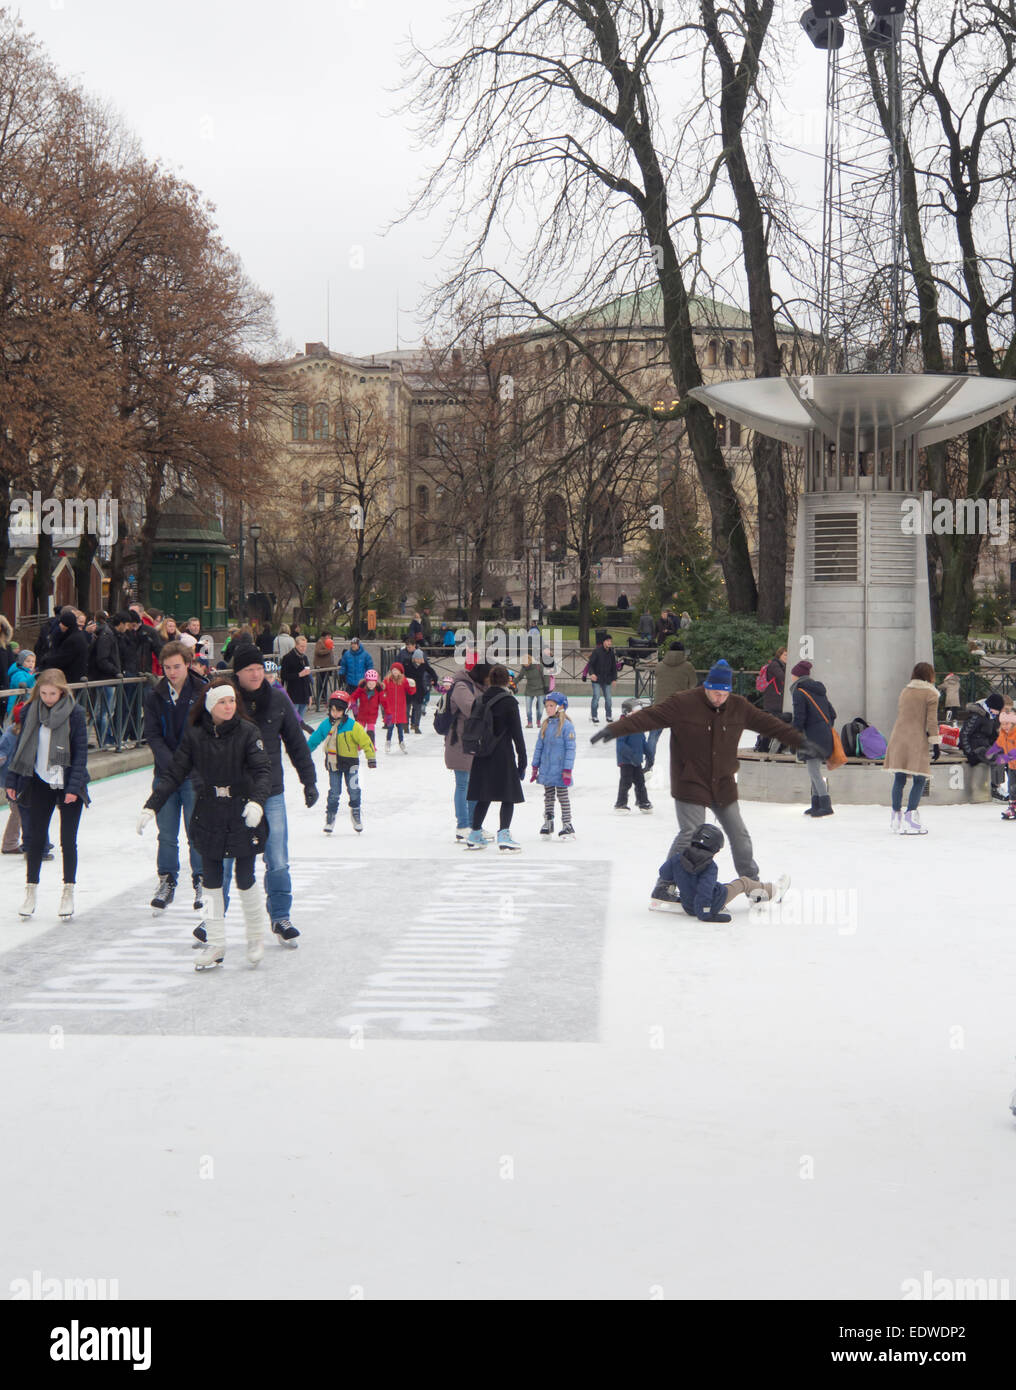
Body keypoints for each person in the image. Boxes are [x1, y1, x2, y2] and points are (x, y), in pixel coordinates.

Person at [591, 658, 820, 909]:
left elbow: (770, 724)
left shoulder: (738, 706)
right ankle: (664, 886)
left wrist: (801, 741)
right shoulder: (683, 703)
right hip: (690, 780)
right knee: (690, 833)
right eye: (714, 692)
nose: (719, 698)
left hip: (722, 783)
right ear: (706, 687)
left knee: (739, 835)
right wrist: (614, 729)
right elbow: (648, 717)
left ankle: (753, 886)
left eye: (724, 693)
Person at [138, 679, 271, 970]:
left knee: (245, 877)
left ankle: (255, 936)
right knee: (210, 883)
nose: (229, 706)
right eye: (223, 702)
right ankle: (216, 943)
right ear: (211, 706)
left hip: (242, 811)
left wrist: (257, 802)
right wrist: (153, 805)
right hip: (209, 813)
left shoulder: (248, 732)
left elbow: (262, 770)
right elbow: (174, 773)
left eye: (232, 701)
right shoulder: (196, 736)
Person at [221, 645, 318, 944]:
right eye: (249, 669)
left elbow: (295, 743)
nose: (256, 674)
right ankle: (212, 918)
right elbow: (203, 741)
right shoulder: (225, 700)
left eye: (260, 668)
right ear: (237, 672)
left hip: (271, 790)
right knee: (222, 857)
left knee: (277, 857)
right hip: (232, 790)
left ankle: (280, 916)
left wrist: (309, 780)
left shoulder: (277, 699)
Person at [5, 669, 90, 920]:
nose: (48, 698)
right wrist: (13, 780)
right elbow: (21, 749)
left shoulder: (74, 713)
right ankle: (31, 891)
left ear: (62, 691)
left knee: (67, 840)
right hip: (38, 780)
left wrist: (73, 788)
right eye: (43, 693)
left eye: (53, 693)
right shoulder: (32, 711)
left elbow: (81, 754)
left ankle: (68, 891)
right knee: (35, 839)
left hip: (66, 782)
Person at [143, 640, 208, 911]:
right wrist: (170, 765)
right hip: (166, 773)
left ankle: (202, 879)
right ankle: (167, 879)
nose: (171, 672)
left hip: (194, 774)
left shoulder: (203, 691)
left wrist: (188, 764)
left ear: (188, 664)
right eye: (167, 667)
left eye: (177, 666)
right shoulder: (155, 695)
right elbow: (153, 734)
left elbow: (204, 732)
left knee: (197, 831)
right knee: (166, 833)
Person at [651, 823, 788, 919]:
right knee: (743, 882)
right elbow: (704, 891)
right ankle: (774, 890)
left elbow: (664, 873)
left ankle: (763, 892)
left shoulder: (677, 859)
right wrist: (705, 913)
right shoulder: (710, 866)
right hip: (713, 902)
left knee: (720, 885)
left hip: (688, 905)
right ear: (715, 849)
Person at [465, 664, 526, 851]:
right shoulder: (509, 702)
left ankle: (475, 833)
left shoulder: (480, 699)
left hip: (482, 753)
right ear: (507, 680)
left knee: (484, 795)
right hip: (503, 754)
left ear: (490, 679)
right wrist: (522, 760)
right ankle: (504, 834)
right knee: (508, 795)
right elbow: (517, 733)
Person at [306, 690, 376, 833]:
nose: (335, 713)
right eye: (332, 710)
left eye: (339, 710)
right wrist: (304, 753)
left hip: (352, 765)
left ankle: (356, 813)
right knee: (334, 792)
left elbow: (365, 741)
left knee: (354, 790)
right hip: (334, 765)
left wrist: (371, 757)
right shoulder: (326, 725)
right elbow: (315, 739)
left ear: (345, 710)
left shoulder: (353, 726)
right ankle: (330, 817)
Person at [884, 662, 940, 835]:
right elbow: (931, 721)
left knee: (899, 778)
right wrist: (935, 742)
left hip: (898, 737)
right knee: (919, 778)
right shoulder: (931, 693)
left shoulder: (905, 691)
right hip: (916, 739)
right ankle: (911, 815)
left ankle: (895, 817)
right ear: (930, 675)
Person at [444, 659, 489, 842]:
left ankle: (474, 825)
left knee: (473, 785)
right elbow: (473, 710)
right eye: (488, 677)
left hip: (471, 742)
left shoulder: (476, 686)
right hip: (459, 742)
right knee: (463, 784)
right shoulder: (462, 687)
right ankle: (463, 825)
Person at [789, 659, 837, 818]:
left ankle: (825, 804)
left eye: (793, 675)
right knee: (813, 769)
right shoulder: (818, 690)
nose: (791, 677)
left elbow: (799, 718)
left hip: (812, 737)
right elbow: (832, 714)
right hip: (823, 735)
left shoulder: (799, 692)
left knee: (814, 771)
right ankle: (816, 804)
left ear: (797, 676)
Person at [530, 691, 576, 838]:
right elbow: (539, 747)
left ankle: (567, 824)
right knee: (548, 796)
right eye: (546, 706)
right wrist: (535, 767)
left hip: (561, 770)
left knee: (563, 797)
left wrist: (567, 769)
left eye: (551, 705)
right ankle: (548, 822)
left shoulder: (567, 726)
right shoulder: (546, 725)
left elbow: (570, 749)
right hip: (547, 769)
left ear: (560, 707)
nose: (548, 709)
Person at [648, 639, 697, 768]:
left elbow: (659, 677)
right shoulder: (688, 666)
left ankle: (649, 763)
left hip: (660, 706)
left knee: (653, 736)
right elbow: (693, 683)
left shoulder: (659, 665)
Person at [86, 610, 122, 749]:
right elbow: (103, 658)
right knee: (105, 711)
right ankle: (104, 740)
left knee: (102, 710)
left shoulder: (100, 633)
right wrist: (115, 670)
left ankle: (104, 739)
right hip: (106, 676)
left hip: (101, 676)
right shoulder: (106, 634)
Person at [614, 696, 653, 813]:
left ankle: (643, 802)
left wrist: (649, 754)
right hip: (626, 760)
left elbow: (642, 741)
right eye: (637, 710)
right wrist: (631, 756)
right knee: (626, 782)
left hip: (636, 760)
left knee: (640, 782)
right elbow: (621, 745)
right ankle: (621, 803)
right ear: (628, 712)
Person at [958, 692, 1004, 774]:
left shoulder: (991, 716)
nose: (997, 713)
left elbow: (993, 736)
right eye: (997, 710)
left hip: (984, 746)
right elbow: (964, 734)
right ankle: (993, 783)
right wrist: (969, 753)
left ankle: (996, 783)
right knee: (993, 757)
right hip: (975, 749)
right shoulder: (977, 715)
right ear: (991, 706)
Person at [754, 646, 787, 751]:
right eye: (785, 654)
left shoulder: (781, 665)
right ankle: (762, 746)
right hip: (774, 700)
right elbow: (783, 677)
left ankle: (764, 746)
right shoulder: (775, 665)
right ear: (779, 655)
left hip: (777, 699)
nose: (787, 657)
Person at [46, 607, 89, 685]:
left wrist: (46, 660)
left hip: (72, 679)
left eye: (62, 623)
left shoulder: (73, 639)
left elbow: (62, 659)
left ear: (67, 625)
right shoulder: (77, 635)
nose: (60, 625)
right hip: (77, 677)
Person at [380, 662, 416, 753]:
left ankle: (401, 742)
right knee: (390, 727)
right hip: (390, 709)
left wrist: (413, 686)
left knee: (400, 727)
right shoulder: (387, 681)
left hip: (400, 708)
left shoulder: (404, 681)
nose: (395, 672)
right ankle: (388, 742)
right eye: (393, 670)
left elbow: (410, 692)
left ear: (400, 672)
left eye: (397, 670)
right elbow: (382, 690)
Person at [987, 706, 1016, 815]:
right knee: (1012, 787)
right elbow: (999, 743)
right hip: (1012, 766)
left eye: (1007, 724)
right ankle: (1012, 807)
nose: (1004, 726)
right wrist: (990, 752)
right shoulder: (1004, 733)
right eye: (1002, 724)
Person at [585, 634, 620, 724]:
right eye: (608, 641)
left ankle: (608, 715)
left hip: (607, 679)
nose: (609, 643)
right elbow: (590, 664)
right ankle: (594, 716)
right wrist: (592, 674)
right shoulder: (597, 651)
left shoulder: (612, 653)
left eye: (610, 641)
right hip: (596, 678)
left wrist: (614, 679)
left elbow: (613, 667)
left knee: (608, 698)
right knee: (596, 697)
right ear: (603, 642)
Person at [280, 634, 314, 724]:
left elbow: (307, 678)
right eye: (301, 646)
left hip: (304, 694)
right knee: (293, 721)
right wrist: (298, 675)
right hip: (294, 693)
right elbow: (284, 676)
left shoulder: (305, 658)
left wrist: (310, 695)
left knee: (301, 721)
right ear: (296, 645)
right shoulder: (287, 658)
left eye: (305, 646)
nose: (303, 648)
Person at [348, 669, 383, 750]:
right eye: (369, 683)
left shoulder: (378, 691)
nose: (371, 685)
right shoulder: (361, 689)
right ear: (366, 682)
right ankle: (358, 744)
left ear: (376, 683)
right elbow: (353, 697)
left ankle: (371, 745)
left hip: (372, 715)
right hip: (362, 714)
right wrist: (353, 705)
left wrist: (388, 712)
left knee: (370, 730)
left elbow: (384, 701)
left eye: (373, 683)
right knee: (359, 730)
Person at [408, 649, 438, 732]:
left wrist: (434, 681)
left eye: (420, 658)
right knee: (409, 707)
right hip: (409, 689)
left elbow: (433, 672)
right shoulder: (409, 664)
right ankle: (407, 725)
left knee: (418, 708)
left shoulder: (424, 665)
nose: (419, 660)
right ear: (414, 658)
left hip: (420, 689)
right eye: (417, 658)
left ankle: (416, 725)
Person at [517, 654, 548, 728]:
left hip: (540, 690)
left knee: (540, 709)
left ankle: (538, 721)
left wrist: (547, 686)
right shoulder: (524, 668)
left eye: (526, 662)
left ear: (530, 661)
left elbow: (546, 675)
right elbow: (519, 677)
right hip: (529, 690)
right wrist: (512, 683)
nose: (525, 664)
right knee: (528, 709)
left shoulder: (538, 666)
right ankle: (529, 723)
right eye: (523, 663)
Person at [6, 650, 36, 721]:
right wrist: (35, 677)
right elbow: (24, 684)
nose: (31, 664)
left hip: (24, 704)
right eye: (28, 661)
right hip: (16, 706)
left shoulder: (29, 673)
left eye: (33, 661)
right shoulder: (18, 673)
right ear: (21, 661)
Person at [312, 631, 335, 707]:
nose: (330, 638)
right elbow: (318, 652)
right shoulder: (320, 642)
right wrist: (328, 650)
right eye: (329, 636)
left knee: (325, 683)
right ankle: (320, 697)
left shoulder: (328, 642)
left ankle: (324, 697)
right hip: (321, 666)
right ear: (325, 636)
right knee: (320, 683)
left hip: (326, 666)